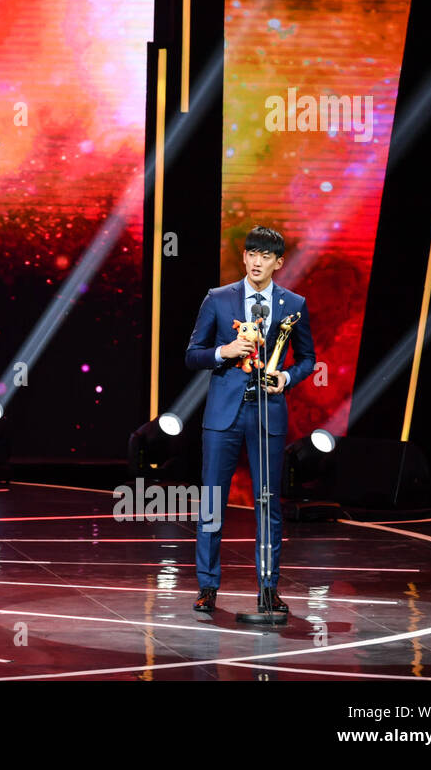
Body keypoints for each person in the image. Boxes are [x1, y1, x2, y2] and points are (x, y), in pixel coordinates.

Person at [183, 225, 315, 614]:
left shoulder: (294, 304)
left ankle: (269, 586)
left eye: (265, 256)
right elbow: (193, 354)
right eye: (251, 253)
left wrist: (286, 377)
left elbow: (307, 358)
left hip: (268, 413)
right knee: (212, 502)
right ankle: (207, 586)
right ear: (243, 257)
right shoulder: (218, 299)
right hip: (223, 413)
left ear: (279, 263)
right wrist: (225, 351)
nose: (257, 261)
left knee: (268, 503)